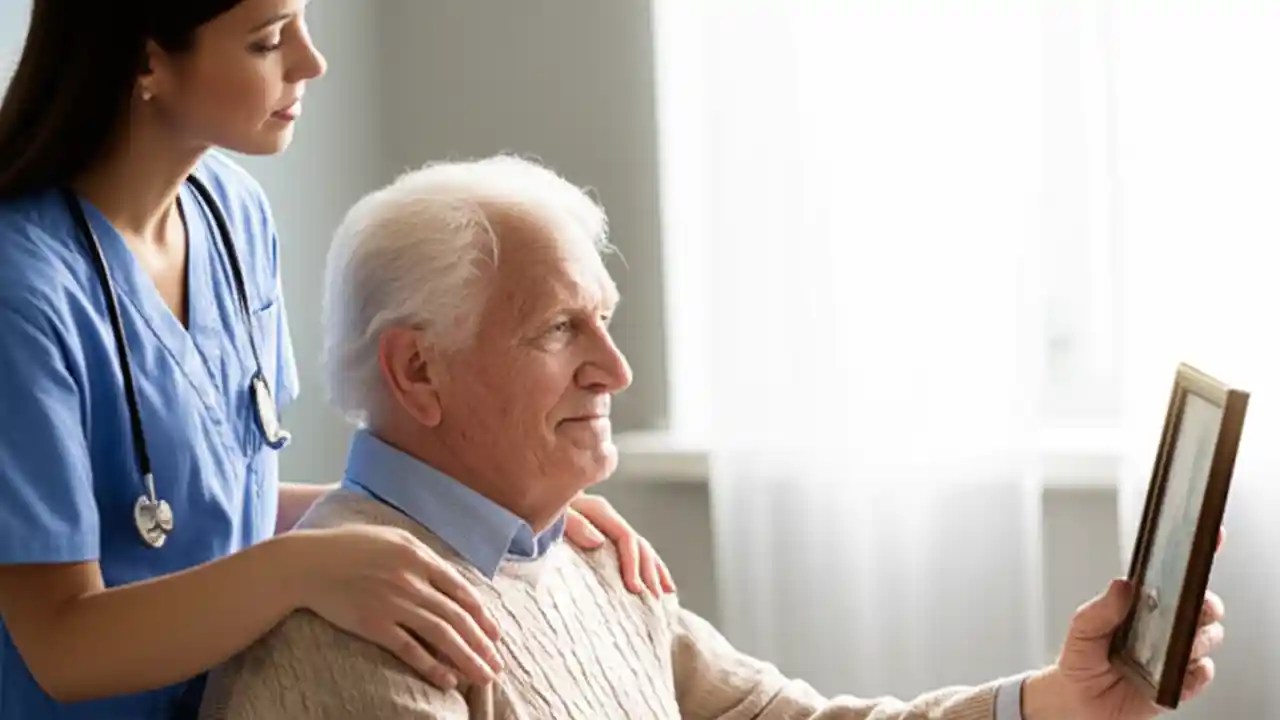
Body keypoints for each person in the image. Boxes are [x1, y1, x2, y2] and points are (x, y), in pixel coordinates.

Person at [202, 156, 1226, 719]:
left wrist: (1056, 705)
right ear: (416, 371)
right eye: (560, 328)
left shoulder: (577, 559)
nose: (614, 369)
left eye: (603, 318)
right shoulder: (347, 631)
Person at [0, 3, 673, 718]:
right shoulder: (21, 291)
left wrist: (487, 516)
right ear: (146, 61)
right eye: (267, 41)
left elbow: (214, 506)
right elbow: (61, 645)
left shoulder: (234, 214)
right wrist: (304, 566)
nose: (311, 62)